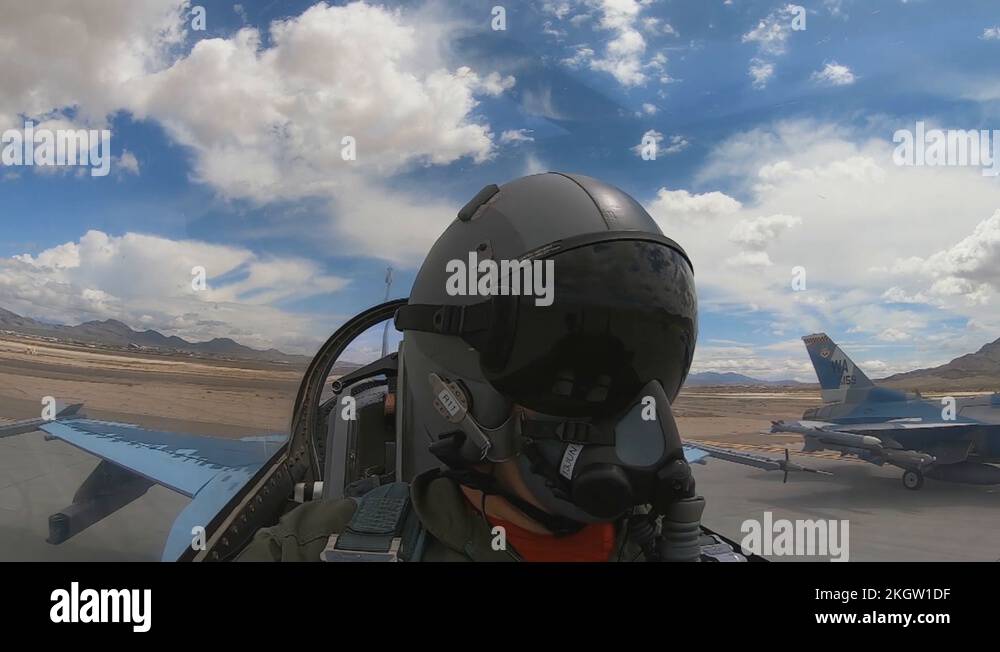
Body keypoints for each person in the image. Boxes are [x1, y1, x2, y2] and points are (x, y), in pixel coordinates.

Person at [238, 172, 702, 562]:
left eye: (646, 365)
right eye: (575, 370)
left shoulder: (674, 545)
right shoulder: (324, 546)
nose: (639, 406)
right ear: (455, 391)